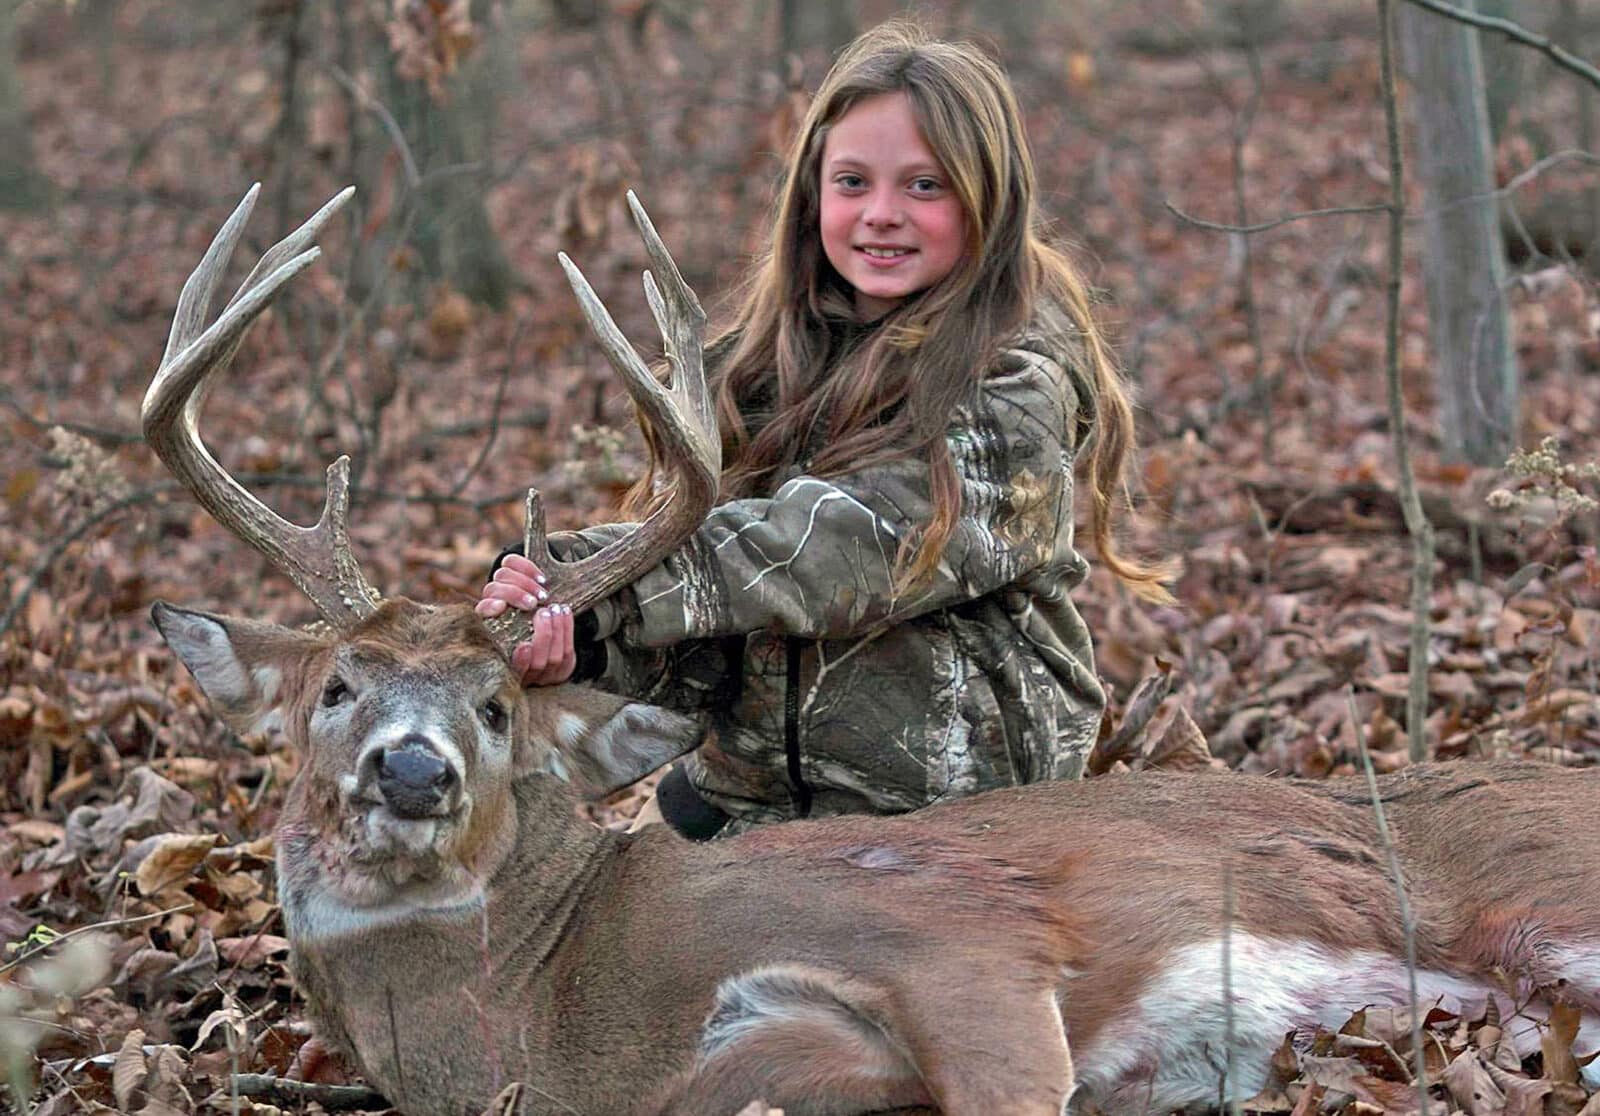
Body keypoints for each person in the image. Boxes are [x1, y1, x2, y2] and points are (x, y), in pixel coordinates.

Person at [477, 19, 1172, 837]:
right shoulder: (759, 369)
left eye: (925, 186)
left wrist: (604, 584)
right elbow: (713, 627)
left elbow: (852, 548)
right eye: (852, 183)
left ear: (992, 197)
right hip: (755, 808)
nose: (881, 214)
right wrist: (579, 634)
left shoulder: (1019, 383)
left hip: (958, 823)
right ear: (812, 196)